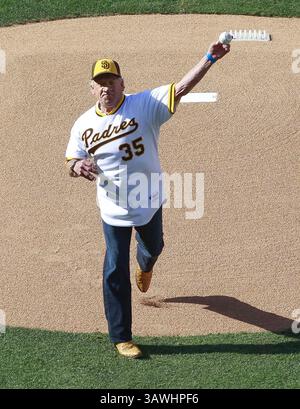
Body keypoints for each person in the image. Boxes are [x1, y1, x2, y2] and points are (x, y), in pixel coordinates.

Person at [65, 40, 230, 358]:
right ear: (92, 88)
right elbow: (71, 162)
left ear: (122, 84)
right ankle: (121, 337)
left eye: (110, 83)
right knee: (114, 267)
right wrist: (77, 165)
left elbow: (181, 87)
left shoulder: (145, 105)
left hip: (149, 199)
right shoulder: (83, 125)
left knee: (154, 247)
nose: (105, 90)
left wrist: (210, 58)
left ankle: (146, 263)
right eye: (99, 84)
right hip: (112, 207)